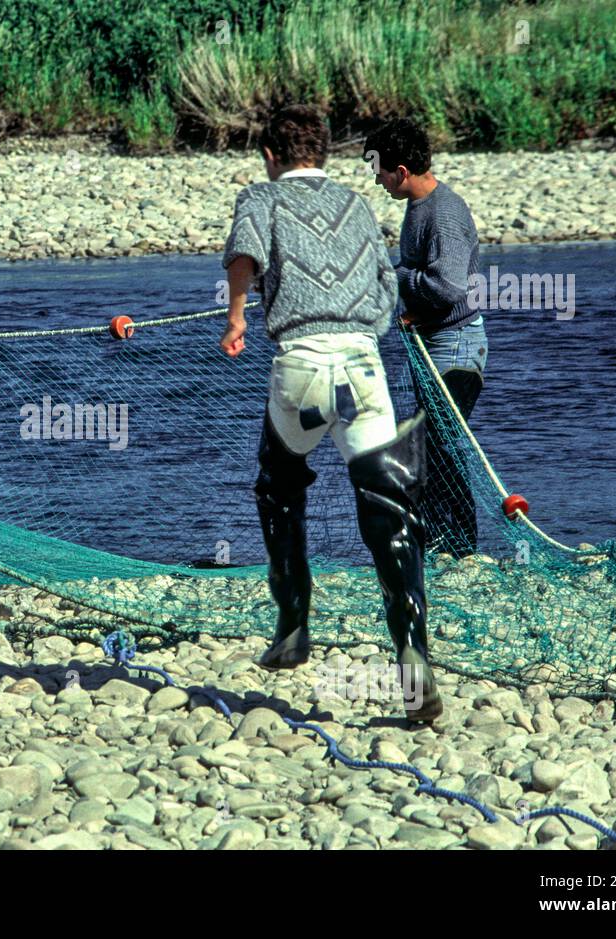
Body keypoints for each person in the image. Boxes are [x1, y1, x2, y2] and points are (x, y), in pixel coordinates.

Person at [221, 104, 441, 723]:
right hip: (364, 367)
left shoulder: (260, 198)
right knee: (389, 512)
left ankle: (293, 625)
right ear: (325, 155)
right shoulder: (357, 204)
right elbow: (384, 284)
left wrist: (238, 316)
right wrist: (364, 327)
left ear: (271, 156)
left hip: (302, 366)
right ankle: (414, 662)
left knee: (280, 484)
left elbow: (244, 256)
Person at [365, 118, 485, 558]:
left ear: (400, 170)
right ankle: (444, 546)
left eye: (377, 171)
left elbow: (450, 288)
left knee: (434, 444)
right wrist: (411, 307)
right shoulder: (418, 207)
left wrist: (396, 276)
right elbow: (432, 284)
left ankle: (458, 549)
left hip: (457, 349)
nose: (375, 179)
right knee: (433, 444)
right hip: (432, 346)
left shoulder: (444, 213)